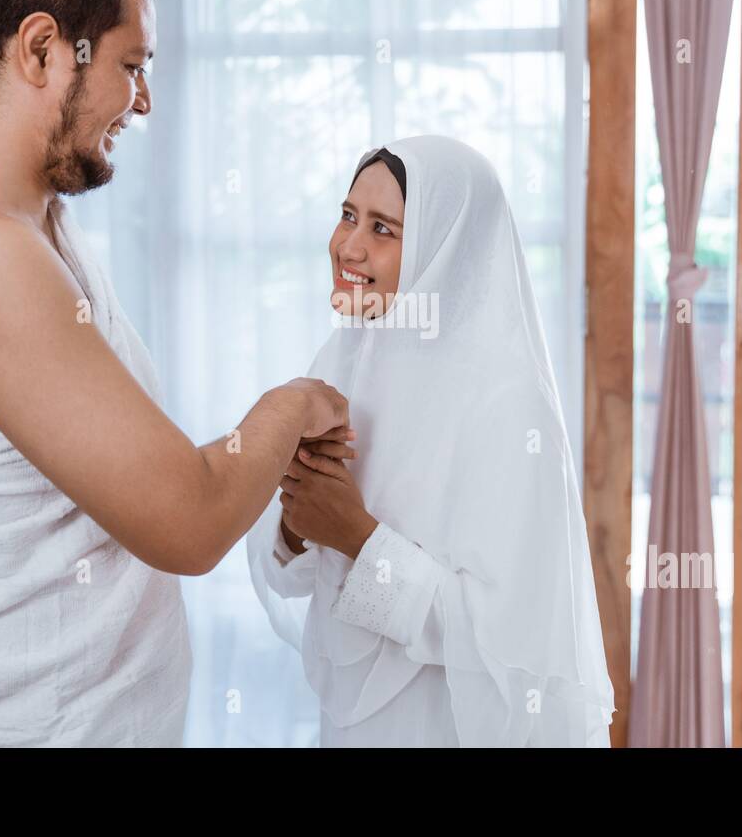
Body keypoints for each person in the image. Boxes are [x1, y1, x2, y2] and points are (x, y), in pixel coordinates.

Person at [0, 0, 347, 746]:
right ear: (43, 49)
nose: (144, 100)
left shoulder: (24, 226)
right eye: (131, 64)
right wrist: (297, 403)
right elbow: (187, 523)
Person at [247, 135, 616, 746]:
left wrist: (356, 536)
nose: (349, 247)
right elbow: (285, 570)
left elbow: (510, 646)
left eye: (384, 229)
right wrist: (294, 522)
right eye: (347, 216)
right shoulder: (340, 360)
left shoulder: (509, 406)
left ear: (444, 249)